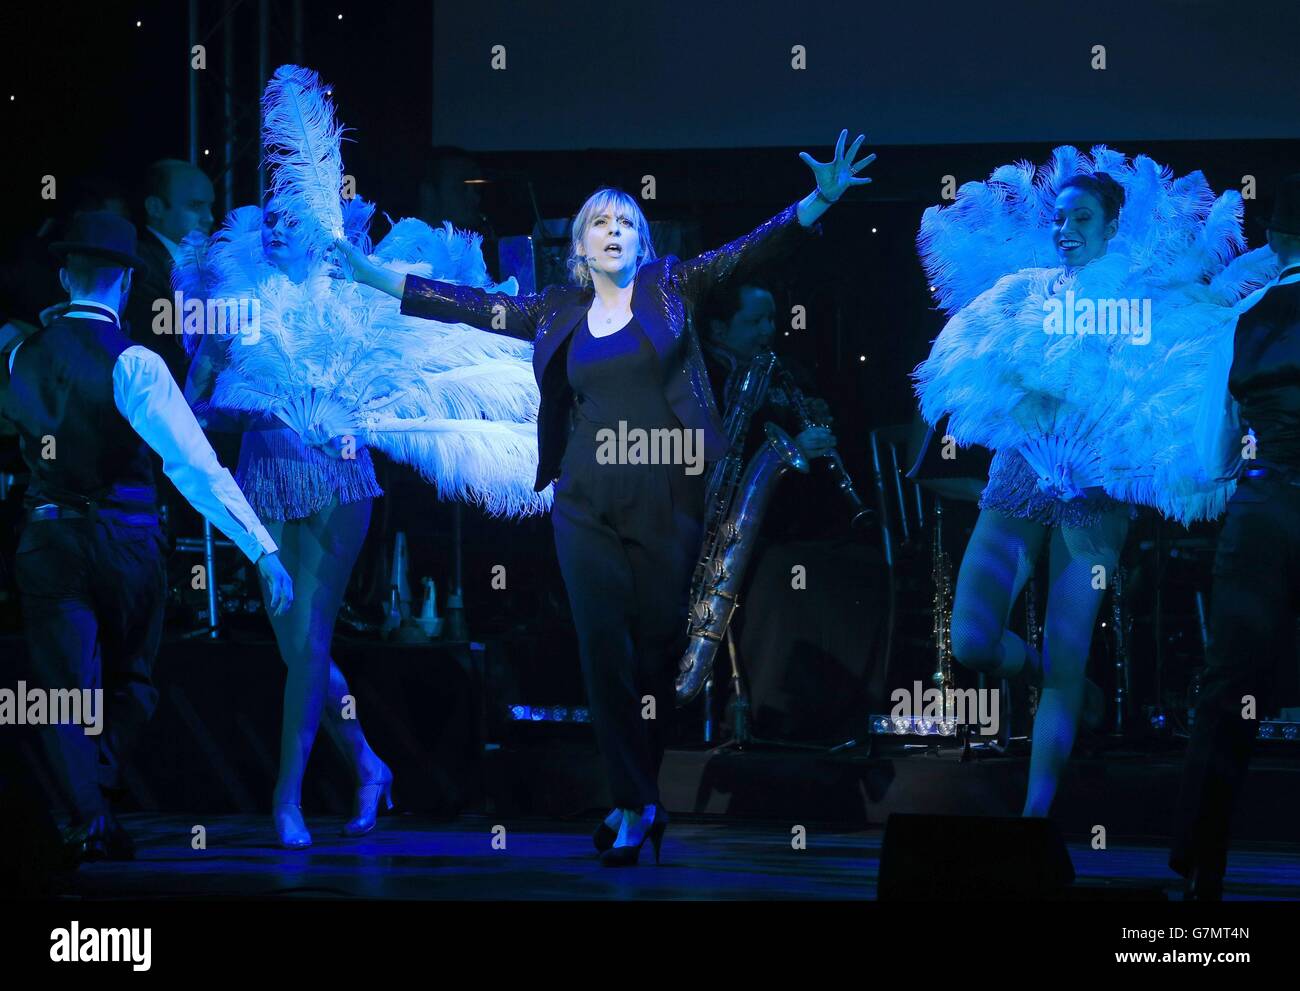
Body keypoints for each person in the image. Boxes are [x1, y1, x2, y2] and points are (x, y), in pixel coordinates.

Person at [336, 129, 875, 865]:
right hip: (582, 501)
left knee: (656, 654)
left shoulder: (670, 286)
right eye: (600, 223)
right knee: (602, 651)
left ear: (642, 241)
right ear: (580, 247)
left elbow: (751, 249)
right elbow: (466, 306)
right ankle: (632, 801)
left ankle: (639, 794)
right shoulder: (555, 309)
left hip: (667, 493)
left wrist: (819, 198)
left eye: (625, 222)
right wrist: (369, 276)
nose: (613, 231)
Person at [183, 65, 546, 848]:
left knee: (308, 633)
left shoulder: (348, 293)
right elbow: (200, 405)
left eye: (295, 221)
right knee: (296, 642)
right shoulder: (233, 303)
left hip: (340, 465)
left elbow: (419, 330)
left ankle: (285, 799)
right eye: (273, 222)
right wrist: (257, 404)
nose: (284, 231)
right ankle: (369, 761)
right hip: (263, 475)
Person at [913, 147, 1272, 818]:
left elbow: (1194, 349)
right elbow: (988, 357)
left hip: (1098, 492)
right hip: (1021, 473)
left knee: (1070, 656)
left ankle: (1034, 818)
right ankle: (1050, 673)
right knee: (970, 639)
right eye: (1058, 217)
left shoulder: (1141, 296)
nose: (1064, 228)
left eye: (1080, 217)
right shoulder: (1027, 290)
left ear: (1111, 225)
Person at [0, 211, 293, 863]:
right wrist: (262, 548)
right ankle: (92, 804)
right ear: (128, 284)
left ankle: (87, 809)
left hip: (47, 540)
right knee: (133, 682)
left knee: (64, 691)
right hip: (125, 541)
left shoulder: (21, 353)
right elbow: (194, 466)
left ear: (62, 276)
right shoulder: (134, 362)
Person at [1170, 173, 1300, 900]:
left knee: (1228, 692)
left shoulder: (1248, 316)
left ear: (1277, 243)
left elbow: (1215, 454)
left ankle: (1199, 868)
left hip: (1266, 507)